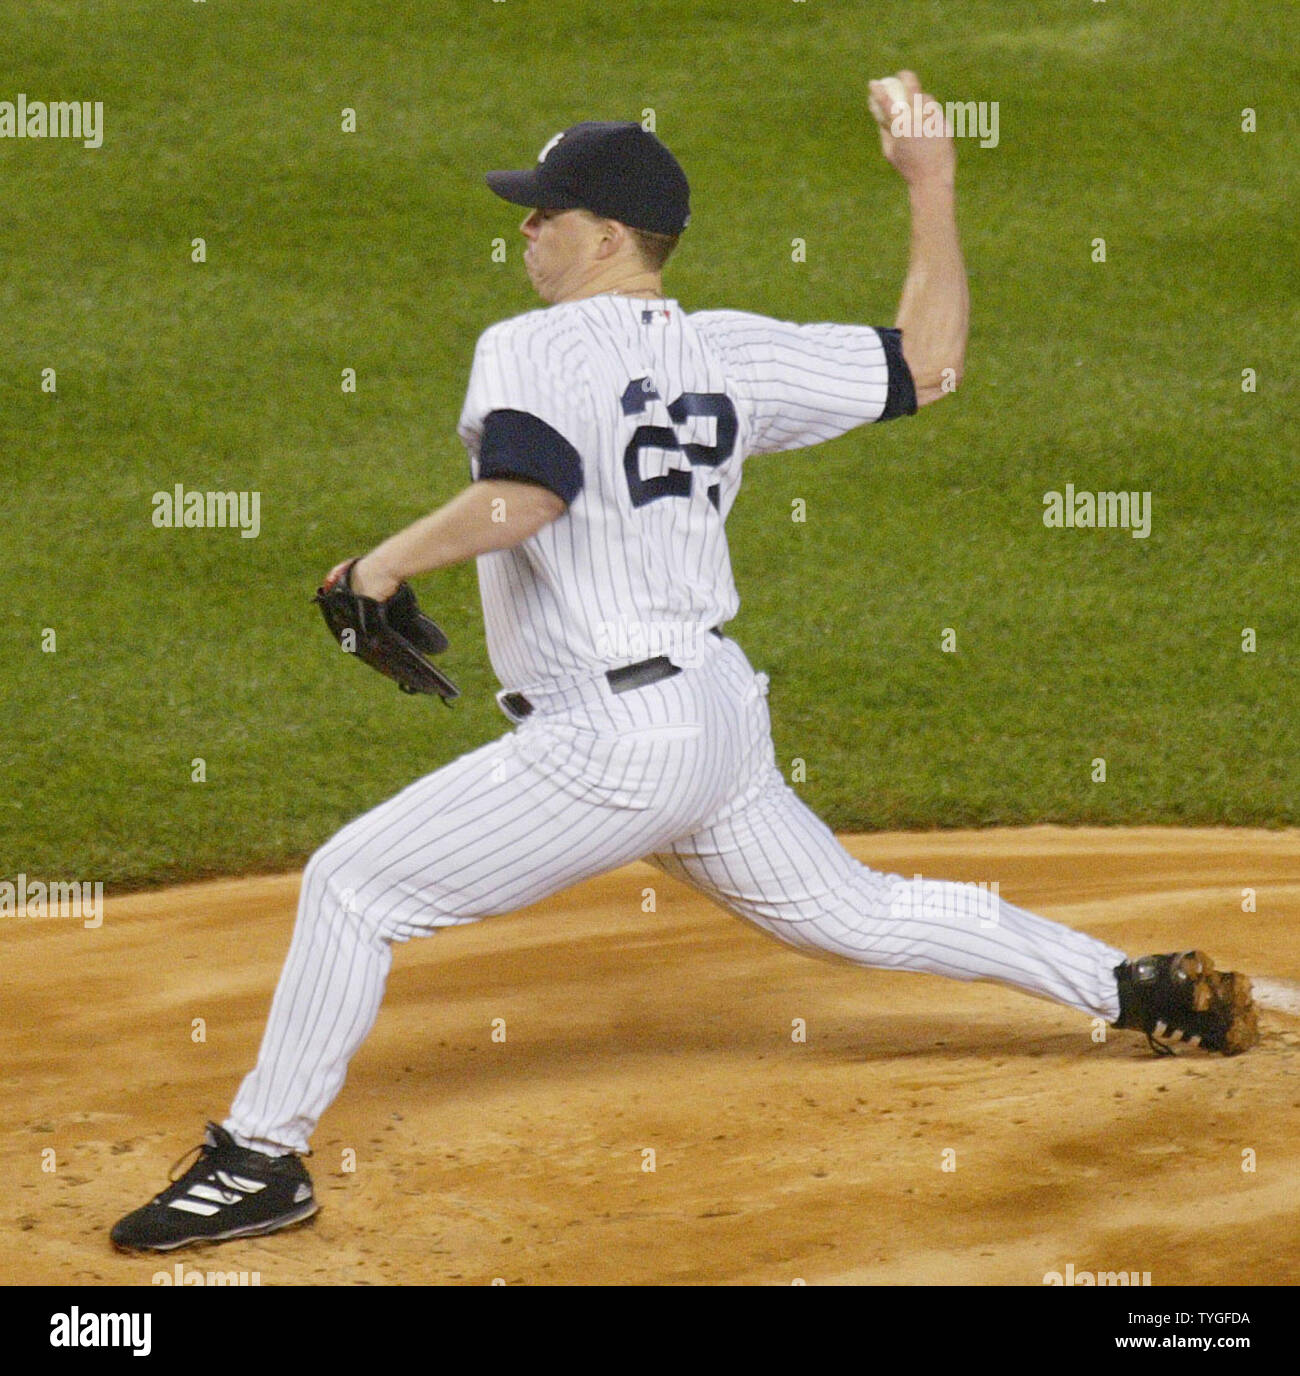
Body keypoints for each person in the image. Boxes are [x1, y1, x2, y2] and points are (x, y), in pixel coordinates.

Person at [110, 74, 1257, 1253]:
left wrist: (378, 567)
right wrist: (933, 182)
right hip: (710, 719)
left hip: (610, 742)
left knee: (353, 884)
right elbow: (931, 361)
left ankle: (259, 1157)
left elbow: (525, 493)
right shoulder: (729, 353)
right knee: (856, 910)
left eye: (543, 211)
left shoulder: (530, 344)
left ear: (606, 237)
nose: (524, 225)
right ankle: (1137, 987)